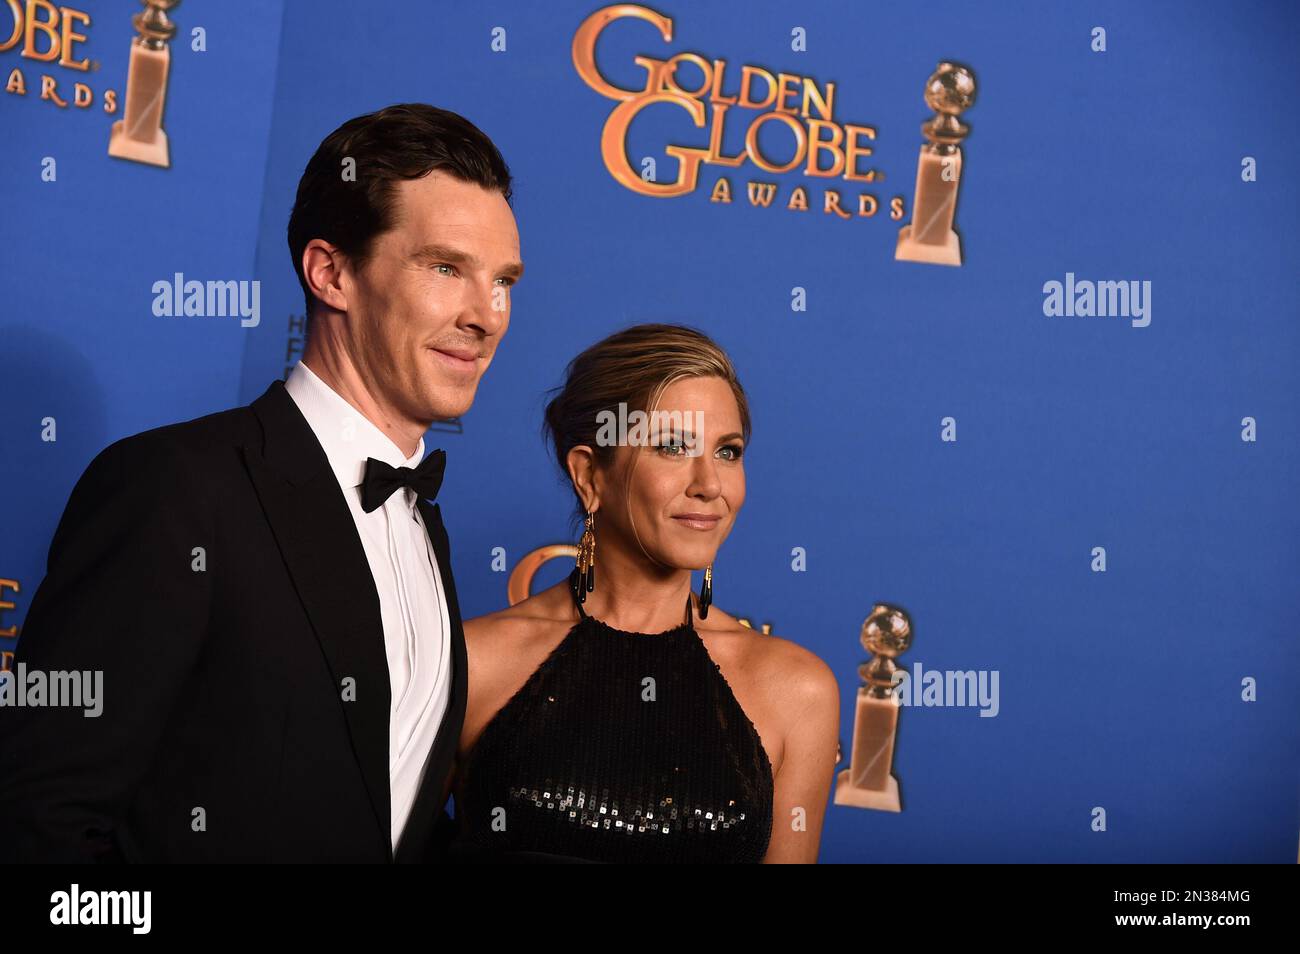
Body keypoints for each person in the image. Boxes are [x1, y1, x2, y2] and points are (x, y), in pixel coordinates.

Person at [0, 103, 523, 863]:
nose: (487, 315)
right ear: (331, 273)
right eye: (446, 268)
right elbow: (38, 824)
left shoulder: (420, 520)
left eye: (502, 280)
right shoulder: (177, 489)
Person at [446, 324, 839, 863]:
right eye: (672, 447)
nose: (710, 485)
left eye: (728, 452)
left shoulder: (797, 690)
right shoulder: (471, 662)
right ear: (590, 476)